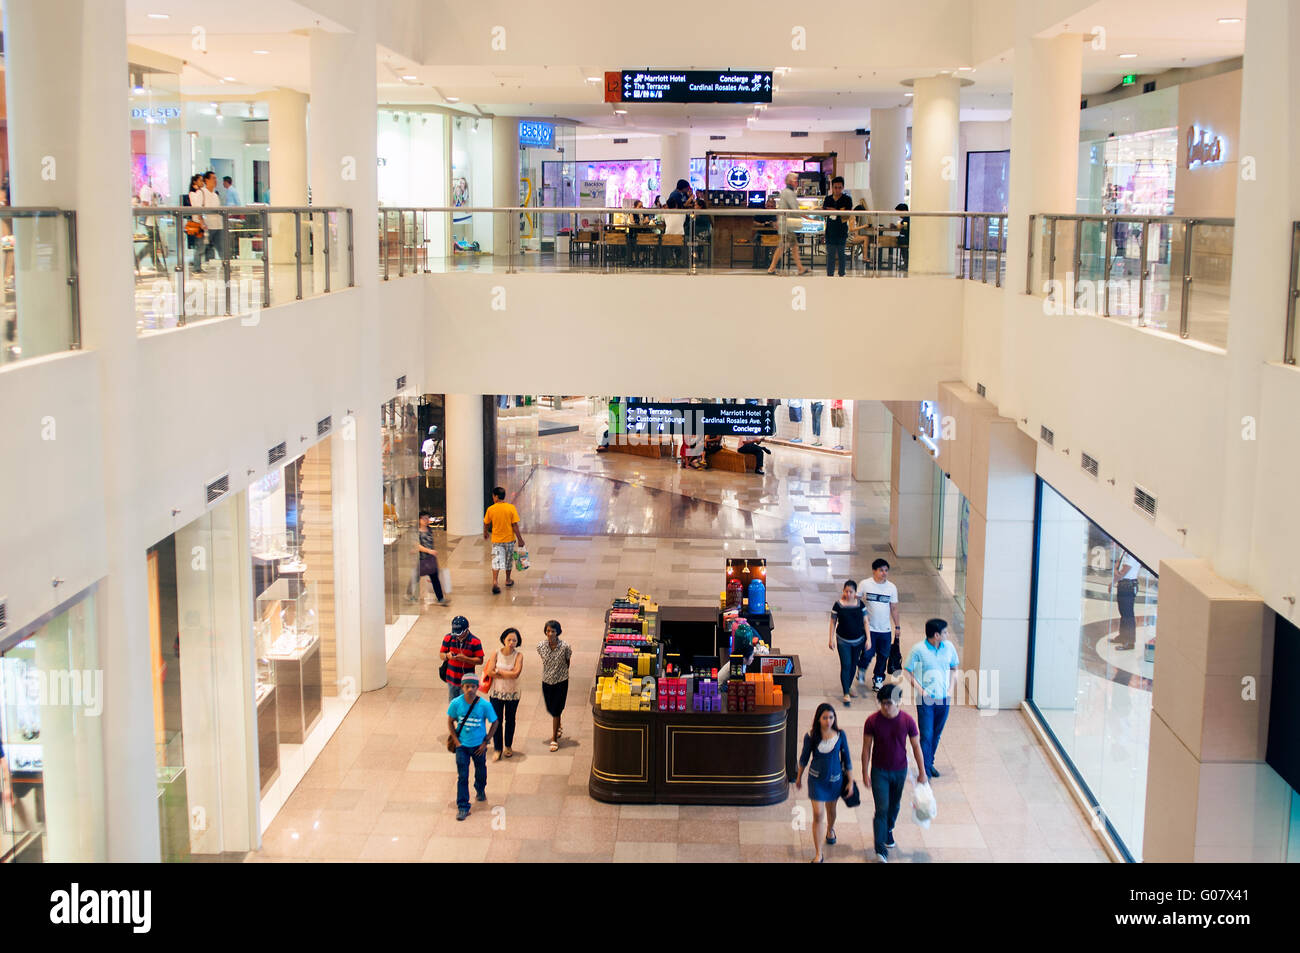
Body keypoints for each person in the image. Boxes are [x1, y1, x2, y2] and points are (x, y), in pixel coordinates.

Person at [862, 683, 926, 863]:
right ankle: (880, 849)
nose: (885, 707)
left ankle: (888, 829)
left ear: (898, 703)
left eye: (889, 703)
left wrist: (922, 772)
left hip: (899, 770)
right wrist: (864, 772)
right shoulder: (872, 721)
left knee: (894, 806)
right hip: (879, 772)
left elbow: (916, 746)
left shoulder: (907, 721)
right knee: (881, 809)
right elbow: (866, 748)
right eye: (882, 703)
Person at [795, 702, 852, 863]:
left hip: (834, 780)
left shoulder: (840, 736)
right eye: (825, 717)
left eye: (831, 717)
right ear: (818, 719)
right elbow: (804, 758)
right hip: (816, 780)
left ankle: (830, 829)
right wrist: (799, 777)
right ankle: (818, 853)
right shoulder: (811, 736)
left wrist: (851, 781)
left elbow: (846, 759)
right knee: (818, 814)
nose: (828, 721)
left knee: (831, 810)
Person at [904, 618, 960, 779]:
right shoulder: (918, 650)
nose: (947, 634)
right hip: (925, 700)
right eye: (945, 632)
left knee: (936, 734)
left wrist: (950, 689)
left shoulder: (949, 647)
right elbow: (908, 671)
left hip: (944, 699)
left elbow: (954, 668)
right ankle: (925, 770)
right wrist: (920, 690)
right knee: (926, 734)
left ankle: (929, 763)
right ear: (936, 635)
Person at [446, 674, 497, 820]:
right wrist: (456, 742)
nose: (470, 689)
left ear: (477, 687)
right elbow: (450, 722)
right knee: (462, 776)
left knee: (481, 771)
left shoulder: (485, 705)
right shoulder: (456, 703)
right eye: (467, 686)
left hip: (478, 746)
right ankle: (463, 806)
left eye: (473, 686)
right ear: (462, 687)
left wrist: (486, 740)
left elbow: (495, 722)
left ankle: (480, 788)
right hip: (462, 746)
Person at [856, 558, 901, 691]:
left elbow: (894, 608)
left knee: (883, 655)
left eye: (886, 570)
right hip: (869, 628)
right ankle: (862, 669)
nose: (884, 573)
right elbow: (856, 601)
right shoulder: (865, 584)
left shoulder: (891, 588)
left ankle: (878, 678)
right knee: (867, 654)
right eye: (881, 570)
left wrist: (897, 626)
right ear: (874, 571)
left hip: (885, 629)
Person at [485, 627, 523, 760]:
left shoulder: (518, 655)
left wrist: (499, 672)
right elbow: (490, 671)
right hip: (496, 692)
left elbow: (516, 674)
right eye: (509, 639)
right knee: (497, 720)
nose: (511, 642)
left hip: (512, 693)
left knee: (510, 719)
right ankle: (497, 748)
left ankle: (508, 746)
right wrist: (508, 674)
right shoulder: (496, 653)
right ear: (503, 640)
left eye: (514, 640)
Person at [828, 579, 868, 705]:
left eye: (851, 592)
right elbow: (833, 622)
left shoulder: (860, 605)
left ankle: (848, 686)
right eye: (846, 591)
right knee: (846, 665)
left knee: (853, 665)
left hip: (858, 640)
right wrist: (831, 638)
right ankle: (846, 692)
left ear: (855, 592)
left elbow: (866, 622)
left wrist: (869, 639)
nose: (848, 594)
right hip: (843, 640)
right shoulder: (838, 605)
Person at [482, 486, 525, 595]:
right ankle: (508, 580)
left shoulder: (491, 509)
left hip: (497, 540)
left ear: (496, 497)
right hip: (509, 540)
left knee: (496, 560)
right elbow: (515, 525)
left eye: (493, 496)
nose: (493, 497)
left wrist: (485, 532)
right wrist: (520, 539)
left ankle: (495, 582)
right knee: (508, 561)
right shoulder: (511, 508)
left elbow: (486, 523)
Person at [537, 620, 571, 752]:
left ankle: (554, 739)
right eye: (548, 631)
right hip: (546, 680)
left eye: (553, 631)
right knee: (551, 708)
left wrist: (560, 671)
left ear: (558, 632)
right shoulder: (540, 646)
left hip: (561, 681)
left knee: (557, 709)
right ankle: (559, 724)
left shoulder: (565, 647)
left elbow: (568, 662)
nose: (550, 634)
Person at [767, 172, 809, 275]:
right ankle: (772, 268)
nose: (797, 183)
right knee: (783, 246)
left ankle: (800, 268)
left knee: (792, 246)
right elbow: (795, 208)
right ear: (790, 181)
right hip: (787, 224)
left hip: (786, 224)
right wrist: (805, 216)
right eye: (795, 180)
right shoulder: (789, 192)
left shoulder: (787, 192)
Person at [439, 615, 484, 703]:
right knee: (453, 705)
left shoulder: (475, 641)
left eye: (459, 633)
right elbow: (441, 654)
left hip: (468, 681)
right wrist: (447, 656)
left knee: (466, 706)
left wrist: (465, 659)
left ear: (467, 629)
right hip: (452, 679)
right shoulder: (448, 638)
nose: (457, 636)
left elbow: (480, 660)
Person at [408, 511, 448, 606]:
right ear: (419, 520)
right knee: (415, 578)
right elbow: (417, 545)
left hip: (430, 559)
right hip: (421, 559)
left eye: (427, 518)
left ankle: (440, 598)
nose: (426, 520)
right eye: (424, 518)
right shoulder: (417, 532)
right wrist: (429, 551)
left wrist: (432, 553)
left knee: (434, 578)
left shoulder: (429, 530)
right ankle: (409, 594)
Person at [822, 175, 853, 277]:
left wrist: (835, 211)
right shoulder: (828, 199)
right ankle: (829, 274)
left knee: (841, 254)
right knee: (830, 254)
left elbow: (847, 214)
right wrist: (838, 211)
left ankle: (841, 274)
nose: (837, 190)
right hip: (830, 230)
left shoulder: (847, 199)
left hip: (842, 230)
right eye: (835, 187)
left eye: (839, 187)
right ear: (832, 187)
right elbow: (824, 212)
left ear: (843, 188)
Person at [1109, 549, 1140, 650]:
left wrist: (1113, 581)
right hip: (1123, 584)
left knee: (1128, 615)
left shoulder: (1133, 553)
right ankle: (1122, 636)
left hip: (1129, 585)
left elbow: (1123, 571)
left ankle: (1129, 641)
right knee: (1123, 613)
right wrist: (1116, 571)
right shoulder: (1124, 551)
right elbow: (1117, 565)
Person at [200, 171, 226, 264]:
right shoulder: (202, 193)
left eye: (216, 178)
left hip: (218, 225)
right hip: (208, 225)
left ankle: (225, 266)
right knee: (204, 248)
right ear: (206, 180)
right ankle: (199, 267)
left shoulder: (215, 195)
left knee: (221, 248)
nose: (215, 180)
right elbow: (199, 209)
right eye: (213, 178)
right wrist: (201, 222)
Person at [186, 175, 208, 274]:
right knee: (200, 246)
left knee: (200, 246)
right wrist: (202, 221)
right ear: (195, 182)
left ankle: (197, 265)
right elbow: (198, 207)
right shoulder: (195, 193)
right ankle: (196, 267)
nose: (202, 182)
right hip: (197, 222)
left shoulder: (199, 192)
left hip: (199, 220)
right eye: (200, 180)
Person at [893, 203, 910, 272]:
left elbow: (904, 227)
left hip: (906, 238)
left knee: (898, 241)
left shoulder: (906, 218)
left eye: (899, 213)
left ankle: (906, 263)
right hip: (906, 237)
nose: (899, 215)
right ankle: (906, 263)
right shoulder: (907, 218)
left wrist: (898, 226)